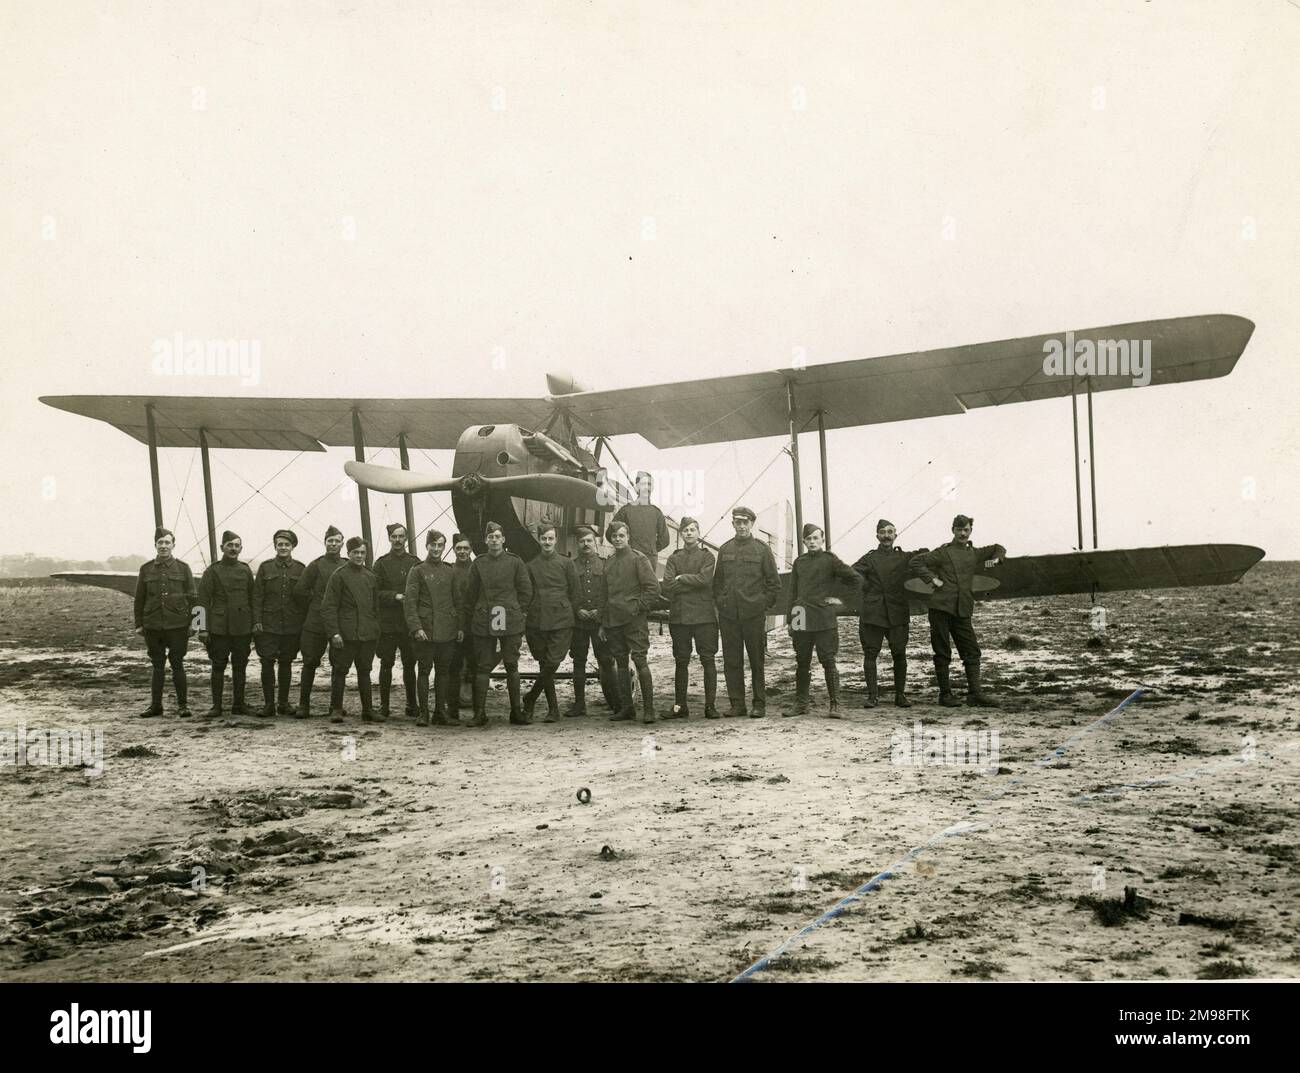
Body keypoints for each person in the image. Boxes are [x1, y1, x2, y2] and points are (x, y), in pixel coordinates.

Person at [909, 515, 1007, 708]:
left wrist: (996, 560)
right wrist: (932, 580)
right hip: (940, 608)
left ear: (970, 531)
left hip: (962, 608)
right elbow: (915, 563)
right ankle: (945, 695)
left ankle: (975, 694)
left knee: (971, 651)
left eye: (966, 530)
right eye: (959, 530)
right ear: (952, 530)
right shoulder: (942, 553)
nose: (962, 533)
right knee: (942, 651)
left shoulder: (974, 553)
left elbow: (998, 547)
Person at [461, 521, 533, 726]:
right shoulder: (479, 563)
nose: (494, 540)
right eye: (490, 537)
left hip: (510, 619)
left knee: (511, 664)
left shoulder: (515, 562)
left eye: (497, 537)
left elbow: (526, 591)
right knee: (483, 666)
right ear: (485, 540)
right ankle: (480, 713)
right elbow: (470, 594)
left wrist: (517, 611)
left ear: (503, 539)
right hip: (484, 620)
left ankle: (516, 712)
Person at [712, 505, 781, 718]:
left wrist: (760, 604)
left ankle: (759, 703)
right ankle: (737, 704)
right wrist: (721, 603)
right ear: (733, 524)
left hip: (753, 615)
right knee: (732, 660)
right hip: (729, 615)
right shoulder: (725, 549)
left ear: (752, 524)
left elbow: (774, 584)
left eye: (745, 522)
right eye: (738, 522)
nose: (742, 526)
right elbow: (717, 583)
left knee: (756, 661)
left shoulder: (762, 550)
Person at [786, 523, 860, 717]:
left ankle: (835, 705)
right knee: (802, 661)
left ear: (822, 540)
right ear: (803, 542)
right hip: (801, 616)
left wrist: (840, 600)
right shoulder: (799, 562)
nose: (812, 542)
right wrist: (790, 621)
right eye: (808, 539)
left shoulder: (830, 560)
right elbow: (792, 592)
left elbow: (855, 579)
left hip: (823, 617)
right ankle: (801, 704)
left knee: (828, 660)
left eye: (815, 538)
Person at [133, 527, 198, 718]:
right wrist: (139, 623)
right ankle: (156, 706)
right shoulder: (146, 569)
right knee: (157, 664)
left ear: (173, 545)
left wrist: (196, 624)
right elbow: (139, 599)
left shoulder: (183, 568)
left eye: (167, 542)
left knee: (177, 663)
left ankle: (183, 706)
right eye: (160, 543)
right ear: (155, 545)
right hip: (153, 625)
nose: (163, 546)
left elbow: (195, 598)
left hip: (178, 625)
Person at [600, 519, 660, 723]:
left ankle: (649, 710)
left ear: (628, 537)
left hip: (634, 620)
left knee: (640, 660)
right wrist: (603, 622)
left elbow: (653, 589)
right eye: (614, 536)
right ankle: (627, 708)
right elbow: (605, 594)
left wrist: (637, 608)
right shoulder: (608, 562)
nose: (618, 539)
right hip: (613, 621)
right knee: (621, 663)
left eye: (621, 536)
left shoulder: (638, 559)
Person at [661, 516, 719, 720]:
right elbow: (667, 585)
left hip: (704, 618)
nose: (689, 533)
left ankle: (710, 706)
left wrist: (682, 578)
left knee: (708, 660)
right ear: (681, 533)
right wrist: (690, 582)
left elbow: (705, 579)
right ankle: (680, 706)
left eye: (693, 529)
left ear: (698, 533)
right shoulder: (674, 558)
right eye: (685, 530)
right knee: (681, 661)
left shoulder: (707, 557)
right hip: (680, 617)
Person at [853, 519, 914, 709]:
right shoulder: (869, 558)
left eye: (890, 532)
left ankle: (900, 696)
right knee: (870, 653)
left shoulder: (905, 557)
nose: (886, 536)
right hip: (874, 613)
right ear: (877, 536)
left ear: (896, 535)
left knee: (899, 653)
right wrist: (868, 588)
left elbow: (924, 560)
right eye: (882, 532)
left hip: (897, 611)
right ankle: (872, 696)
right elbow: (852, 573)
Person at [522, 523, 579, 723]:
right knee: (544, 664)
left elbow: (575, 592)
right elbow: (527, 594)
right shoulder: (531, 566)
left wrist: (568, 611)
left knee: (553, 662)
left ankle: (530, 697)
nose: (547, 542)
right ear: (539, 539)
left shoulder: (566, 563)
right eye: (544, 538)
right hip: (537, 620)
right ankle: (553, 710)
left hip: (561, 619)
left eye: (551, 538)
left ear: (556, 540)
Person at [405, 530, 462, 726]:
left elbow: (457, 601)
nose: (436, 549)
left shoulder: (450, 571)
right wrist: (416, 628)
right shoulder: (417, 570)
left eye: (440, 545)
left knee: (443, 671)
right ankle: (424, 713)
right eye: (433, 545)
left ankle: (440, 712)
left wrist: (459, 627)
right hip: (426, 630)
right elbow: (410, 603)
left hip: (447, 629)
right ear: (427, 546)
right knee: (423, 671)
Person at [321, 536, 381, 722]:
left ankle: (368, 710)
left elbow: (375, 608)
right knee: (340, 671)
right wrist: (334, 633)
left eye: (362, 552)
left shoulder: (371, 577)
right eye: (355, 552)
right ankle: (337, 709)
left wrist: (375, 630)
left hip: (367, 634)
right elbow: (328, 606)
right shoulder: (339, 576)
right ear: (348, 553)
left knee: (365, 671)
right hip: (345, 635)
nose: (359, 556)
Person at [197, 531, 255, 718]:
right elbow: (202, 601)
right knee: (218, 666)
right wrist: (202, 628)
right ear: (222, 548)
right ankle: (216, 706)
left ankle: (239, 705)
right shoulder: (212, 571)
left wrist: (254, 625)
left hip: (241, 627)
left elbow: (253, 598)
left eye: (236, 545)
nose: (233, 549)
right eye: (229, 545)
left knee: (240, 666)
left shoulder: (246, 570)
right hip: (219, 627)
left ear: (241, 549)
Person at [252, 529, 306, 717]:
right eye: (279, 544)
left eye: (286, 544)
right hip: (268, 624)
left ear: (292, 547)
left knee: (286, 662)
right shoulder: (266, 568)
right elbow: (257, 596)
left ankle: (283, 703)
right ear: (275, 546)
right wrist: (257, 620)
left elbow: (305, 597)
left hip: (292, 624)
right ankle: (269, 705)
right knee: (267, 662)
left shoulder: (300, 569)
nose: (283, 547)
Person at [568, 524, 619, 717]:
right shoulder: (571, 565)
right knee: (578, 662)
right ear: (577, 543)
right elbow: (569, 592)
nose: (586, 544)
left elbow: (609, 592)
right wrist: (577, 609)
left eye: (589, 540)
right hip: (579, 623)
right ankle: (579, 705)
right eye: (582, 541)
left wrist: (600, 613)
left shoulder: (605, 564)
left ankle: (615, 703)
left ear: (596, 542)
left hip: (599, 624)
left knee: (606, 661)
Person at [294, 525, 345, 718]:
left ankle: (336, 708)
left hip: (339, 623)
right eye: (329, 541)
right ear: (325, 543)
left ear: (342, 543)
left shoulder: (346, 565)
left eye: (337, 541)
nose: (333, 544)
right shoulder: (315, 565)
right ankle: (303, 706)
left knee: (339, 665)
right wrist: (317, 604)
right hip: (315, 623)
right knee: (310, 662)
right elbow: (300, 591)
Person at [373, 522, 421, 720]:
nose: (398, 540)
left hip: (408, 623)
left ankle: (412, 704)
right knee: (386, 663)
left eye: (401, 536)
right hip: (388, 623)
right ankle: (384, 706)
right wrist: (396, 596)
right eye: (394, 537)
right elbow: (375, 592)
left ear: (406, 538)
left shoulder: (415, 562)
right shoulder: (381, 564)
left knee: (410, 664)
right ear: (389, 539)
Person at [612, 471, 671, 569]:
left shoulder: (656, 513)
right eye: (643, 484)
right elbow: (610, 532)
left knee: (648, 584)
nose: (646, 487)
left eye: (649, 484)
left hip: (649, 562)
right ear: (637, 487)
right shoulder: (626, 510)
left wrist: (651, 549)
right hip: (627, 560)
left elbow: (665, 540)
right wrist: (624, 549)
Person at [448, 533, 476, 720]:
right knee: (454, 664)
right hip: (455, 624)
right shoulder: (449, 570)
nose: (463, 552)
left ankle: (473, 700)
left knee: (474, 663)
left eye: (466, 548)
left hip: (475, 624)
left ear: (471, 550)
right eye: (459, 548)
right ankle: (453, 704)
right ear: (454, 550)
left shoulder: (478, 569)